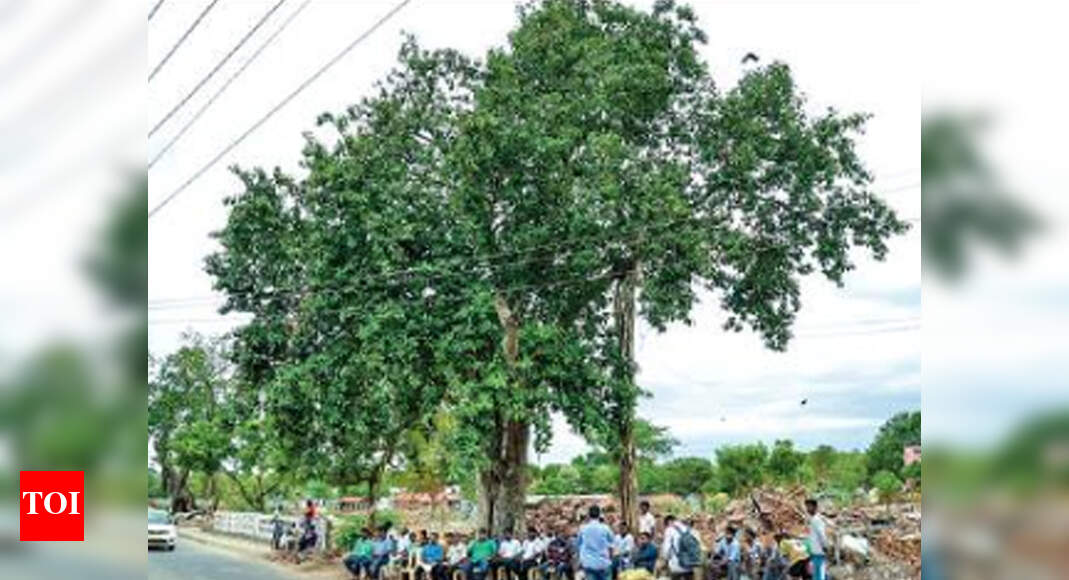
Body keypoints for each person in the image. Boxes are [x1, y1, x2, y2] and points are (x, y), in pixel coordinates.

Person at [577, 505, 614, 580]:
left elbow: (579, 545)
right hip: (603, 563)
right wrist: (610, 558)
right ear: (600, 514)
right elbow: (611, 545)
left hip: (589, 563)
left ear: (588, 515)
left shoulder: (583, 529)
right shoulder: (605, 528)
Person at [662, 515, 701, 580]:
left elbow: (666, 550)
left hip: (675, 565)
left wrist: (666, 561)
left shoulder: (669, 530)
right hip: (690, 565)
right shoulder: (692, 530)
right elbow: (697, 546)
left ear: (668, 522)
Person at [805, 499, 829, 580]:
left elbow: (821, 534)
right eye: (807, 507)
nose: (807, 509)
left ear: (815, 507)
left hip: (819, 552)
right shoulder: (812, 519)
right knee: (816, 575)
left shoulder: (817, 520)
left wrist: (825, 546)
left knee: (820, 575)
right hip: (815, 552)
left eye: (809, 506)